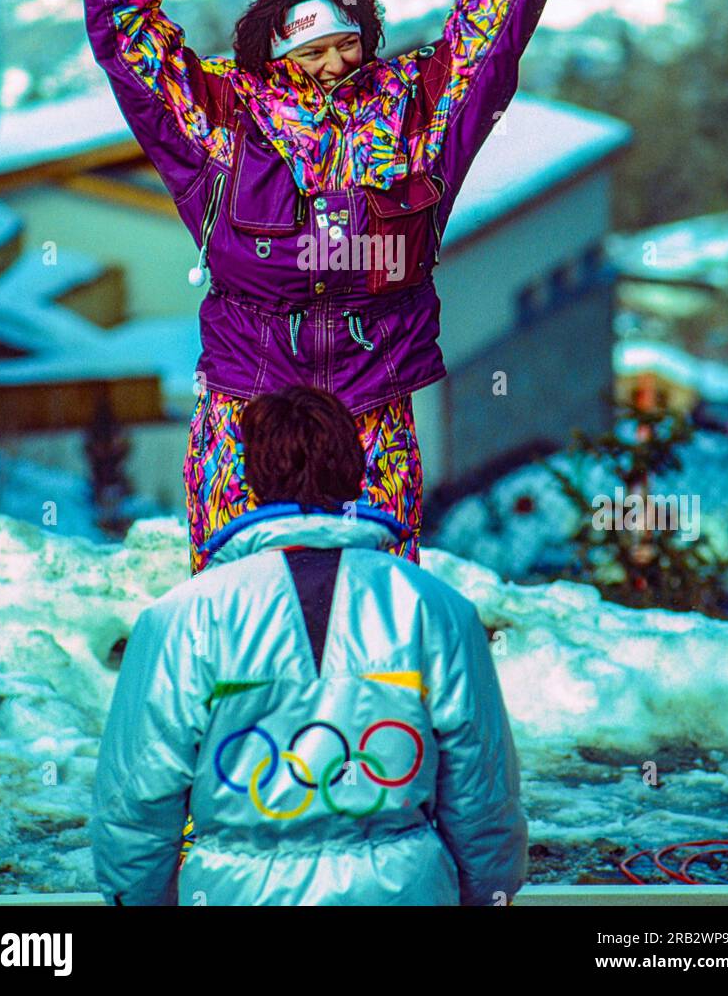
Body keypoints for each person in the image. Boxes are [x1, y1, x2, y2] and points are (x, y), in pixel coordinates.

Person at [82, 0, 565, 573]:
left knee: (375, 566)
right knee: (237, 565)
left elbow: (489, 38)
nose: (333, 65)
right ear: (272, 54)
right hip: (251, 387)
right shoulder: (220, 119)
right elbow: (132, 50)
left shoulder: (414, 109)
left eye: (346, 45)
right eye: (309, 54)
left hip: (373, 385)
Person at [90, 384, 527, 907]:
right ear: (357, 473)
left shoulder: (180, 618)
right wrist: (484, 896)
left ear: (251, 478)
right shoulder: (435, 609)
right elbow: (483, 795)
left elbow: (137, 800)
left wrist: (140, 902)